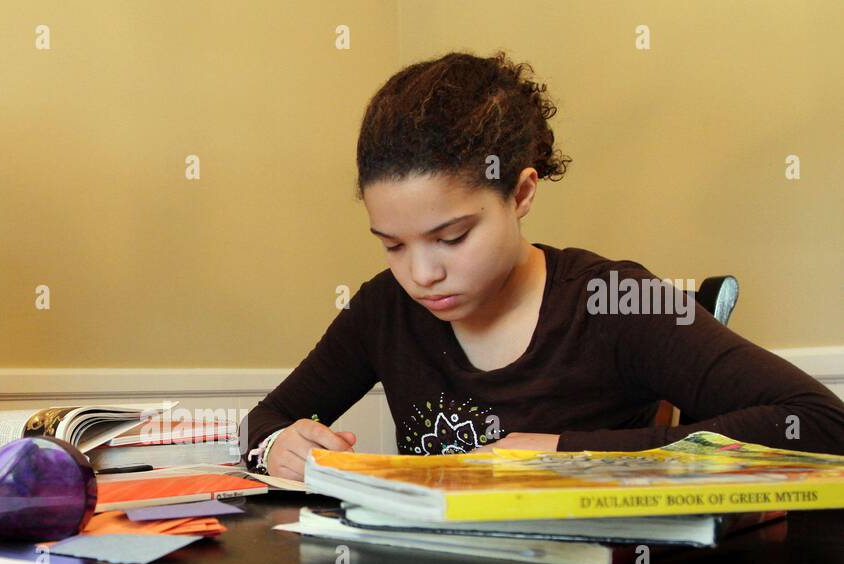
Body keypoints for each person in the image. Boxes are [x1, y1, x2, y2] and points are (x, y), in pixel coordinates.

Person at [244, 52, 844, 481]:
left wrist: (563, 451)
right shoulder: (384, 310)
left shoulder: (614, 299)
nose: (422, 274)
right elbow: (262, 421)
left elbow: (819, 422)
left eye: (451, 236)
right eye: (392, 245)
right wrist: (276, 446)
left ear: (522, 194)